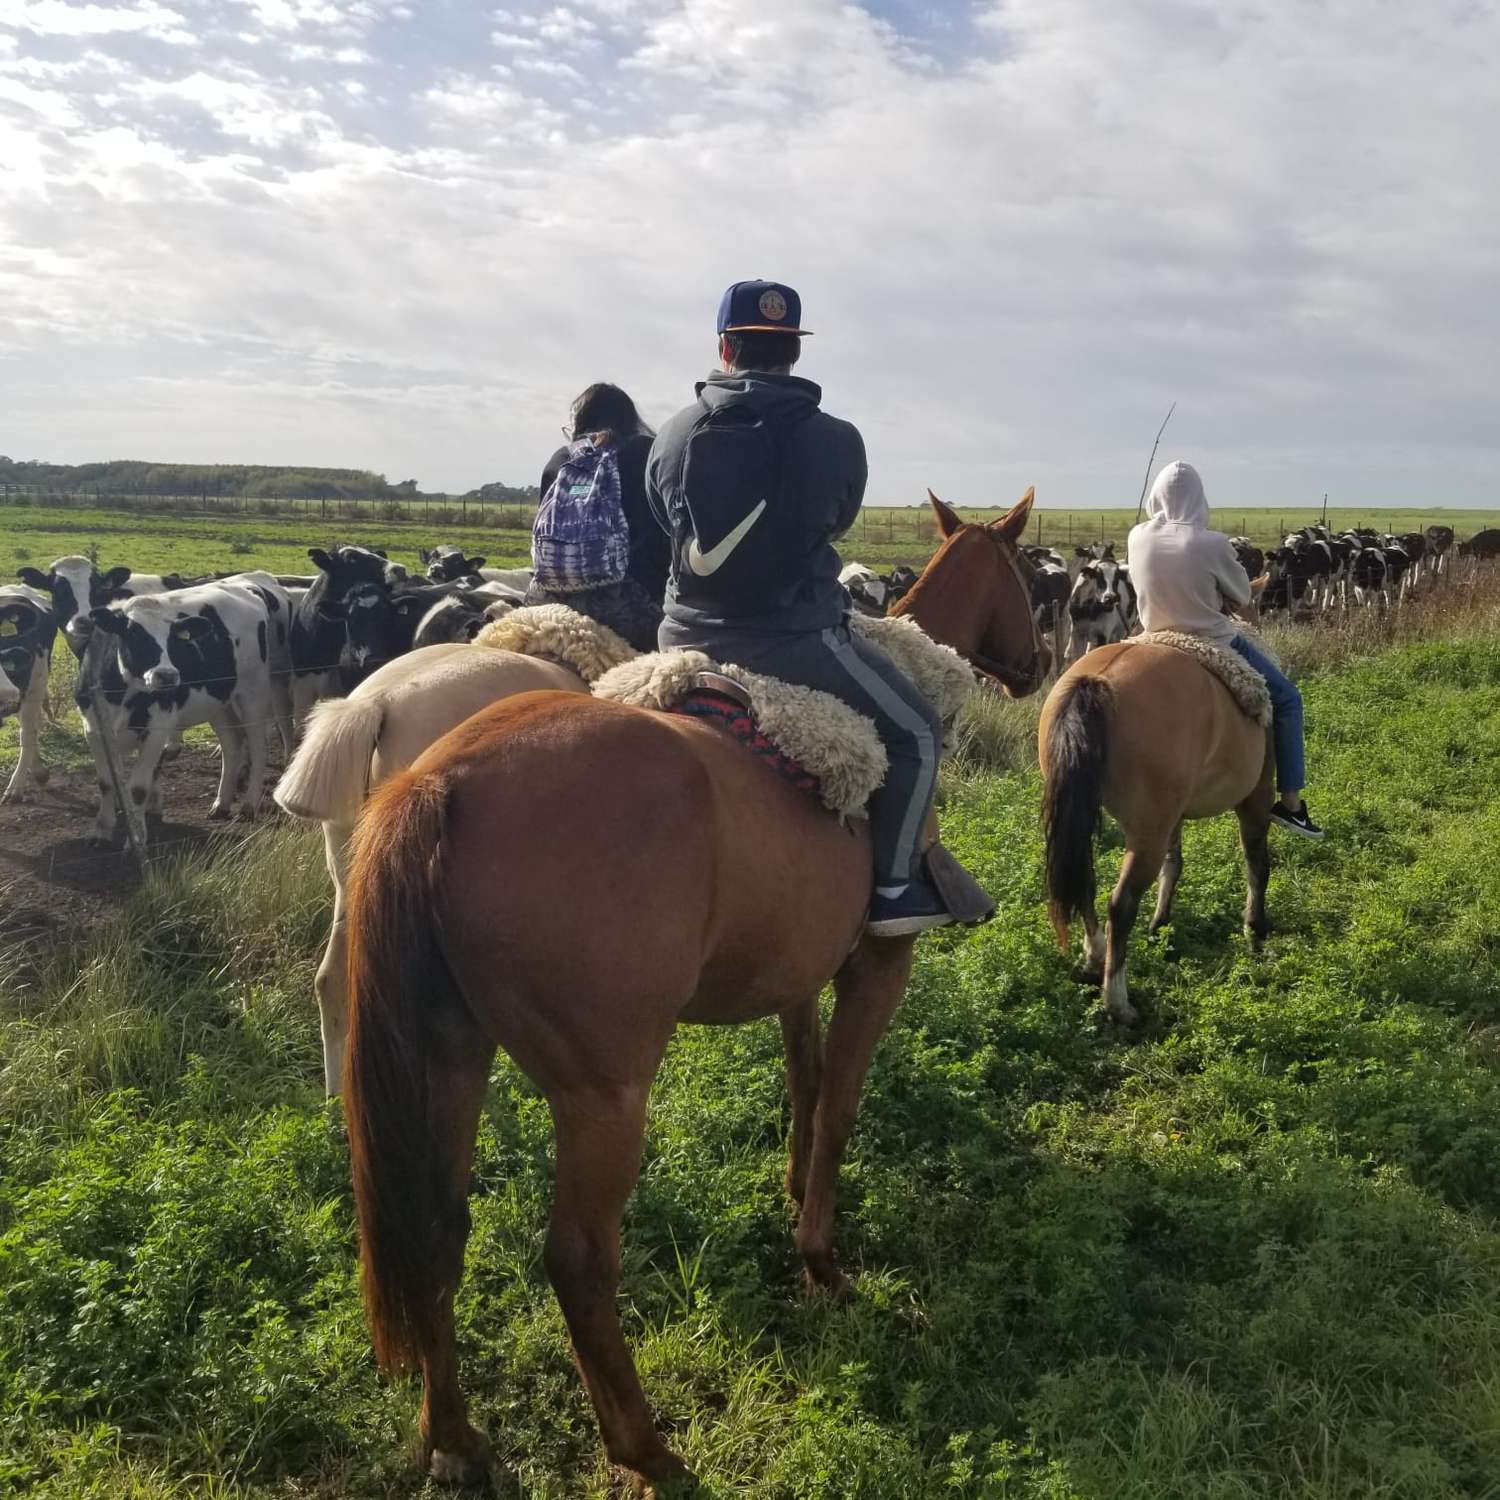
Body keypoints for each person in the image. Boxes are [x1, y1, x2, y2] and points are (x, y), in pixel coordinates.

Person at [646, 278, 984, 935]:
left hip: (680, 635)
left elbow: (666, 518)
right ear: (792, 353)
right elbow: (833, 520)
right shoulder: (837, 439)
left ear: (724, 347)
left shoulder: (672, 435)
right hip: (792, 639)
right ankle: (893, 890)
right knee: (915, 730)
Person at [1127, 460, 1324, 838]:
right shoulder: (1211, 543)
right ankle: (1293, 805)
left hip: (1151, 636)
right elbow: (1238, 593)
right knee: (1287, 699)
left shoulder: (1137, 536)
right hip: (1212, 640)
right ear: (1199, 499)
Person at [530, 383, 669, 652]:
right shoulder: (647, 452)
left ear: (579, 422)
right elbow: (663, 539)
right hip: (630, 603)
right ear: (629, 418)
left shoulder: (560, 460)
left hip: (550, 599)